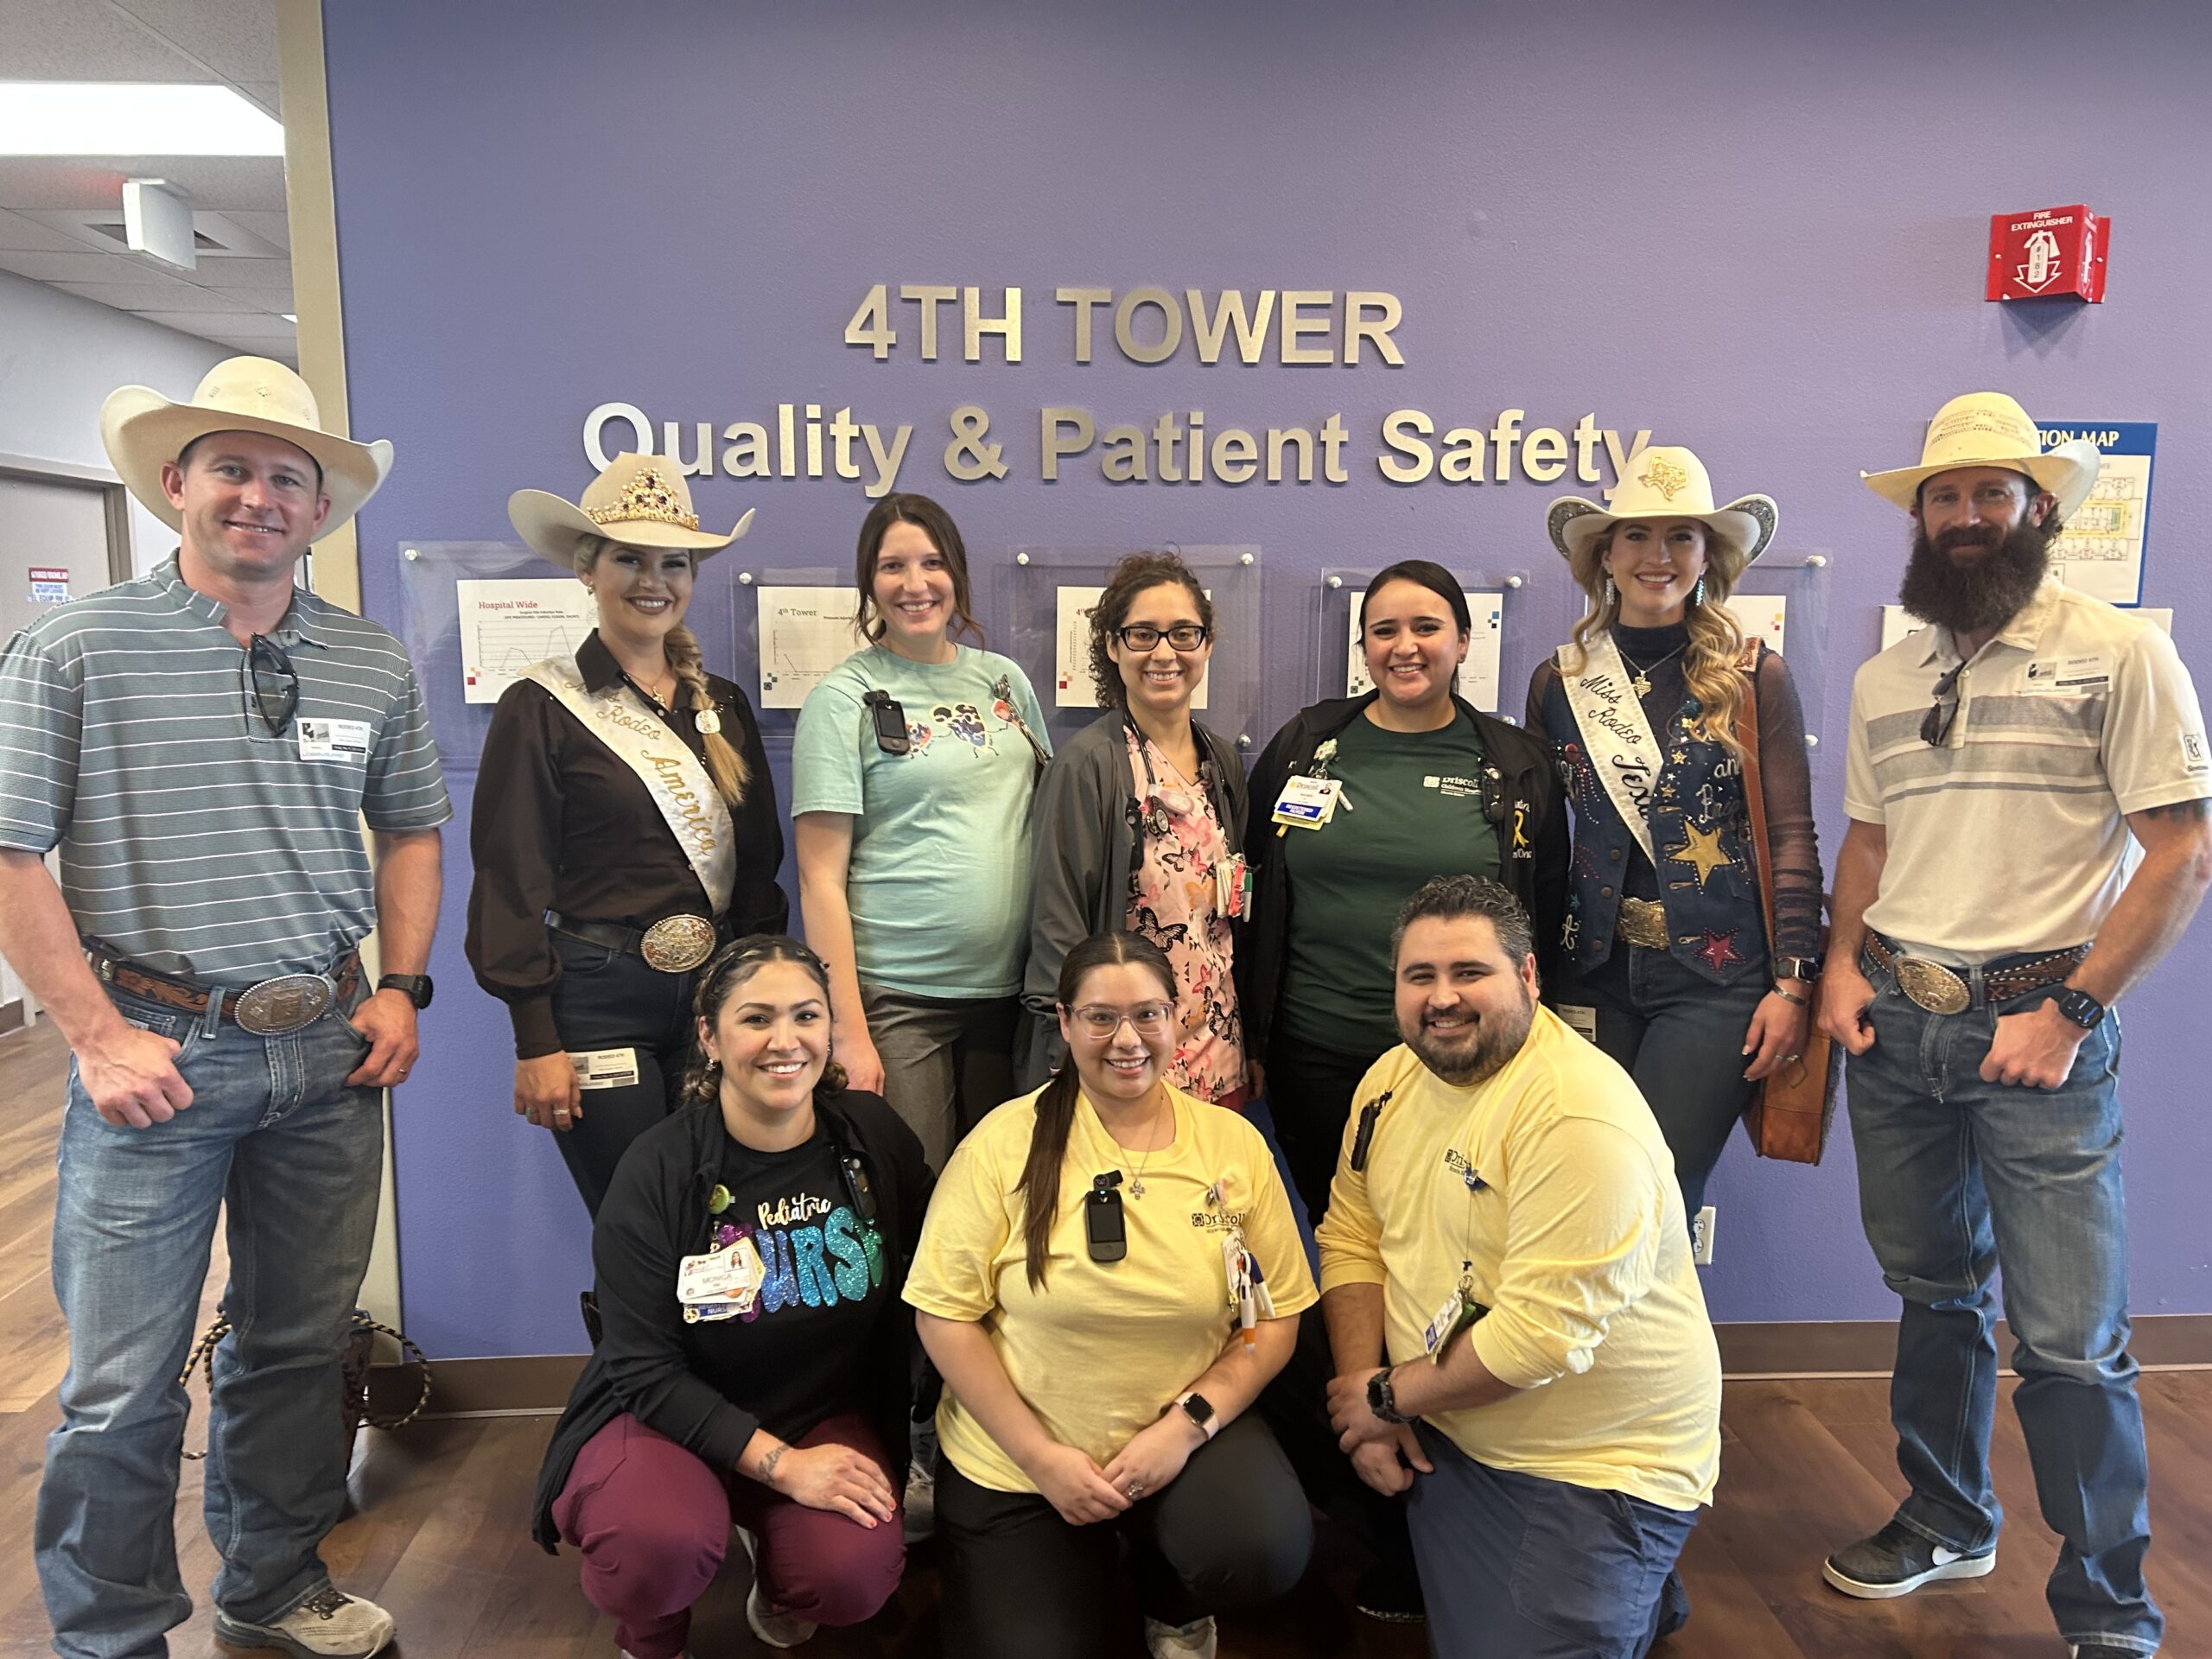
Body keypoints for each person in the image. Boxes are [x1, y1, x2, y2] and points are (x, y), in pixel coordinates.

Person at [0, 358, 449, 1659]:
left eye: (287, 479)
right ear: (175, 485)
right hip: (156, 1053)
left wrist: (404, 990)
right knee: (117, 1389)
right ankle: (111, 1637)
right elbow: (13, 851)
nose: (258, 497)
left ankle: (269, 1582)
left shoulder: (366, 662)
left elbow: (414, 830)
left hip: (325, 1054)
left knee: (297, 1350)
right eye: (233, 470)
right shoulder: (74, 647)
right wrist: (92, 1033)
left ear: (319, 511)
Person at [1817, 392, 2212, 1657]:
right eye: (1947, 496)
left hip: (2039, 1034)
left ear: (2039, 509)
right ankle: (1946, 1517)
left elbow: (2181, 852)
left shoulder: (2118, 652)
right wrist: (1838, 969)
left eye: (1995, 494)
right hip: (1898, 1027)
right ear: (1921, 518)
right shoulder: (1891, 671)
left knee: (2072, 1346)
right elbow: (1871, 843)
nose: (1969, 516)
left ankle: (2110, 1615)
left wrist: (2070, 1012)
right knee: (1931, 1294)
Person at [1318, 875, 1720, 1658]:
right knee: (1254, 1350)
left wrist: (1382, 1399)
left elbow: (1535, 1341)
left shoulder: (1575, 1114)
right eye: (1420, 977)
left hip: (1584, 1463)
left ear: (1529, 978)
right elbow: (1351, 1234)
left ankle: (1626, 1571)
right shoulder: (1390, 1080)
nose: (1443, 999)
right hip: (1443, 1412)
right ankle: (1608, 1591)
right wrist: (1366, 1403)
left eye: (1471, 973)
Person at [907, 931, 1316, 1659]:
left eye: (1147, 1015)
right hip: (1021, 1461)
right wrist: (1039, 1457)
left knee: (1259, 1548)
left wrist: (1187, 1426)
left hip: (1180, 1438)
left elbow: (1275, 1316)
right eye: (1100, 1018)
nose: (1126, 1039)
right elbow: (944, 1316)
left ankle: (1174, 1599)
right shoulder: (1001, 1145)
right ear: (1063, 1023)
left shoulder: (1231, 1144)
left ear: (1177, 1017)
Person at [531, 936, 929, 1656]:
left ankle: (780, 1572)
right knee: (654, 1545)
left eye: (807, 1016)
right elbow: (644, 1369)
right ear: (710, 1037)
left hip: (820, 1409)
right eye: (757, 1019)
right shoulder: (657, 1168)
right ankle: (653, 1634)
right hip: (664, 1414)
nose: (786, 1042)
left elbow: (942, 1267)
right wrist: (783, 1466)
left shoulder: (872, 1139)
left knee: (850, 1575)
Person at [469, 453, 785, 1217]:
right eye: (628, 559)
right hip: (598, 997)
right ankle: (635, 1343)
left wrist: (759, 995)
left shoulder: (726, 705)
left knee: (720, 1210)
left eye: (673, 563)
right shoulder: (540, 705)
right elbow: (511, 881)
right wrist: (534, 1039)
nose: (654, 581)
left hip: (717, 992)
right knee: (636, 1219)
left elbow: (756, 872)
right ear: (588, 568)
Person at [1529, 445, 1821, 1221]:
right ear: (1604, 554)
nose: (1657, 557)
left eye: (1681, 537)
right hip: (1588, 972)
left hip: (1714, 983)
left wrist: (1794, 981)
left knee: (1658, 1194)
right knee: (1582, 1187)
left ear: (1708, 556)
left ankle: (1666, 1348)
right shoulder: (1559, 682)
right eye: (1635, 536)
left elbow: (1792, 836)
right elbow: (1544, 847)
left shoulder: (1756, 676)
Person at [1242, 559, 1565, 1219]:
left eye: (1427, 627)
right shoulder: (1307, 744)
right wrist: (1252, 1036)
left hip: (1460, 1055)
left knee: (1448, 1231)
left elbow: (1546, 907)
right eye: (1384, 630)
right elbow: (1254, 889)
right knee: (1339, 1231)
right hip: (1316, 1050)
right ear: (1364, 647)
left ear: (1464, 642)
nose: (1405, 646)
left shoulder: (1515, 765)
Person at [791, 493, 1051, 1170]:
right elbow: (820, 878)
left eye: (933, 563)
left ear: (958, 574)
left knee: (1006, 1198)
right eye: (892, 567)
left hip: (1013, 996)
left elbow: (1043, 815)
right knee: (918, 1199)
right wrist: (847, 1030)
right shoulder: (843, 699)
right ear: (868, 582)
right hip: (901, 1002)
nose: (915, 585)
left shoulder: (1004, 681)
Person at [1023, 552, 1251, 1106]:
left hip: (1218, 1053)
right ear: (1112, 646)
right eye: (1143, 634)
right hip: (1126, 1061)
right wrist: (1077, 1053)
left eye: (1183, 634)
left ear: (1208, 644)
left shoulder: (1221, 762)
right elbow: (1059, 927)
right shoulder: (1087, 766)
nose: (1164, 652)